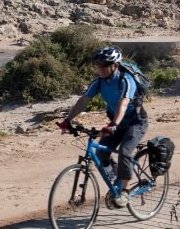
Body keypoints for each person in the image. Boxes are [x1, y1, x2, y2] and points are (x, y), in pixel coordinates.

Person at [58, 46, 148, 207]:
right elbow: (84, 100)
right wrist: (68, 120)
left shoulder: (125, 80)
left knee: (125, 151)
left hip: (136, 121)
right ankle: (116, 178)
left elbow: (124, 102)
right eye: (98, 65)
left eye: (104, 65)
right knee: (100, 152)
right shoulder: (99, 82)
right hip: (117, 123)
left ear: (115, 66)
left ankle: (125, 192)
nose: (100, 68)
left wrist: (113, 124)